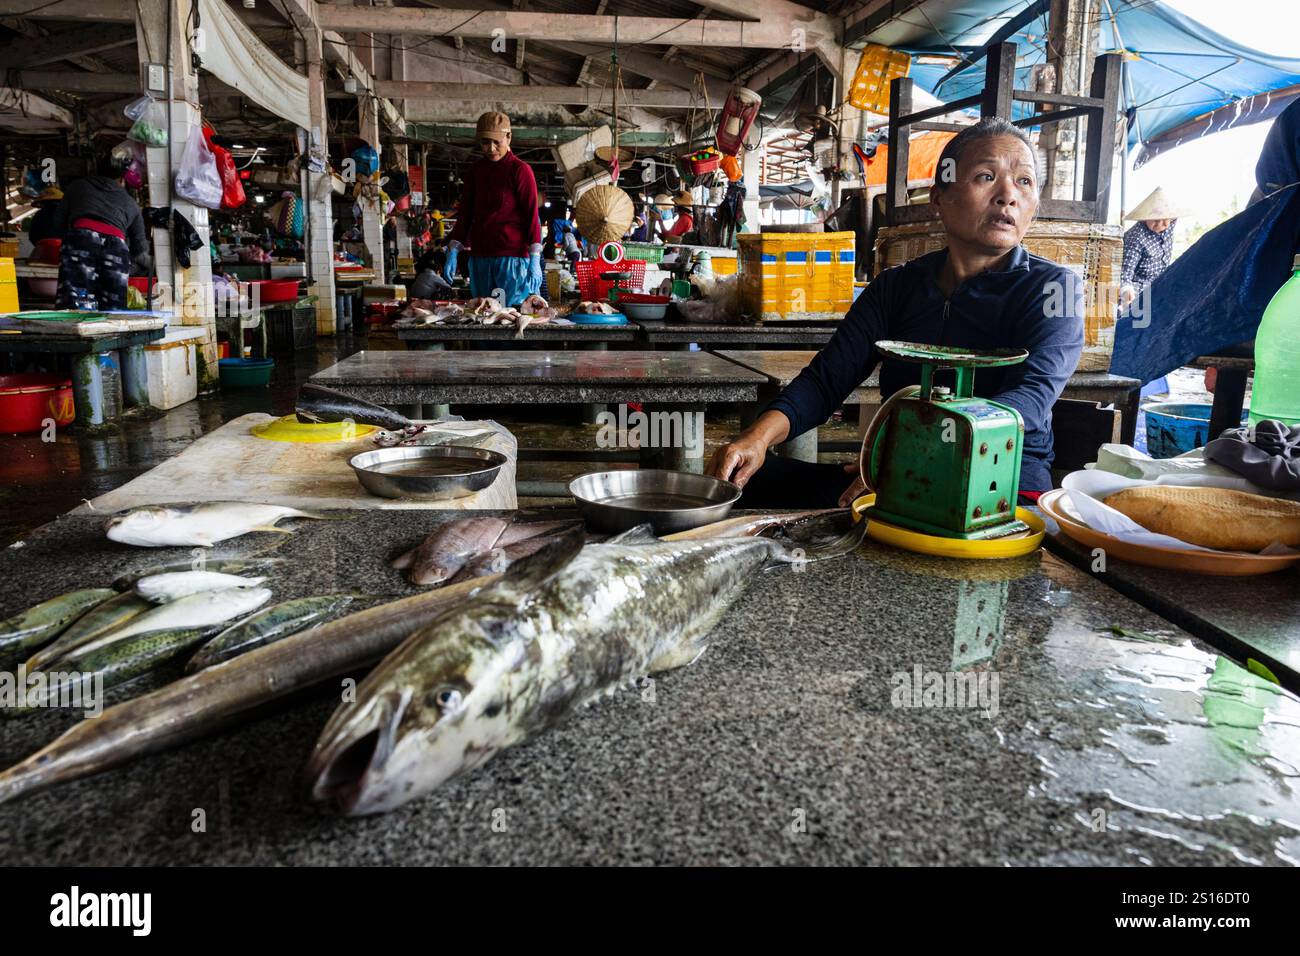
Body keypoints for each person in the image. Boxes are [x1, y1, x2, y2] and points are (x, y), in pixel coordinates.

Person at [708, 116, 1084, 507]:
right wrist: (757, 438)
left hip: (1002, 487)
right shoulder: (896, 286)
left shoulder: (1055, 289)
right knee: (741, 483)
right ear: (939, 198)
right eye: (986, 176)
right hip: (897, 472)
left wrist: (914, 460)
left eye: (1024, 181)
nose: (1008, 195)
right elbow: (825, 381)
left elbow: (1029, 399)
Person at [444, 111, 545, 306]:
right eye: (484, 142)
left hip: (512, 259)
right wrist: (454, 248)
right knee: (483, 313)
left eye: (496, 142)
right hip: (480, 258)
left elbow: (531, 216)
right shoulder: (475, 171)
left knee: (511, 317)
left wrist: (534, 257)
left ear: (508, 137)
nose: (490, 149)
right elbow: (465, 215)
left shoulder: (520, 170)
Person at [52, 154, 150, 311]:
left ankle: (77, 333)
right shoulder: (131, 203)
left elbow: (57, 224)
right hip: (116, 249)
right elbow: (140, 249)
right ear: (122, 179)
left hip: (80, 241)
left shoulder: (77, 186)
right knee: (114, 307)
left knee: (75, 302)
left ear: (94, 170)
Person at [1118, 187, 1180, 398]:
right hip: (1136, 294)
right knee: (1139, 338)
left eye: (1166, 220)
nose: (1161, 225)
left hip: (1158, 291)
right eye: (1156, 220)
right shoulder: (1136, 238)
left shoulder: (1169, 226)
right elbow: (1124, 275)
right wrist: (1127, 294)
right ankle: (1135, 386)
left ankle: (1156, 384)